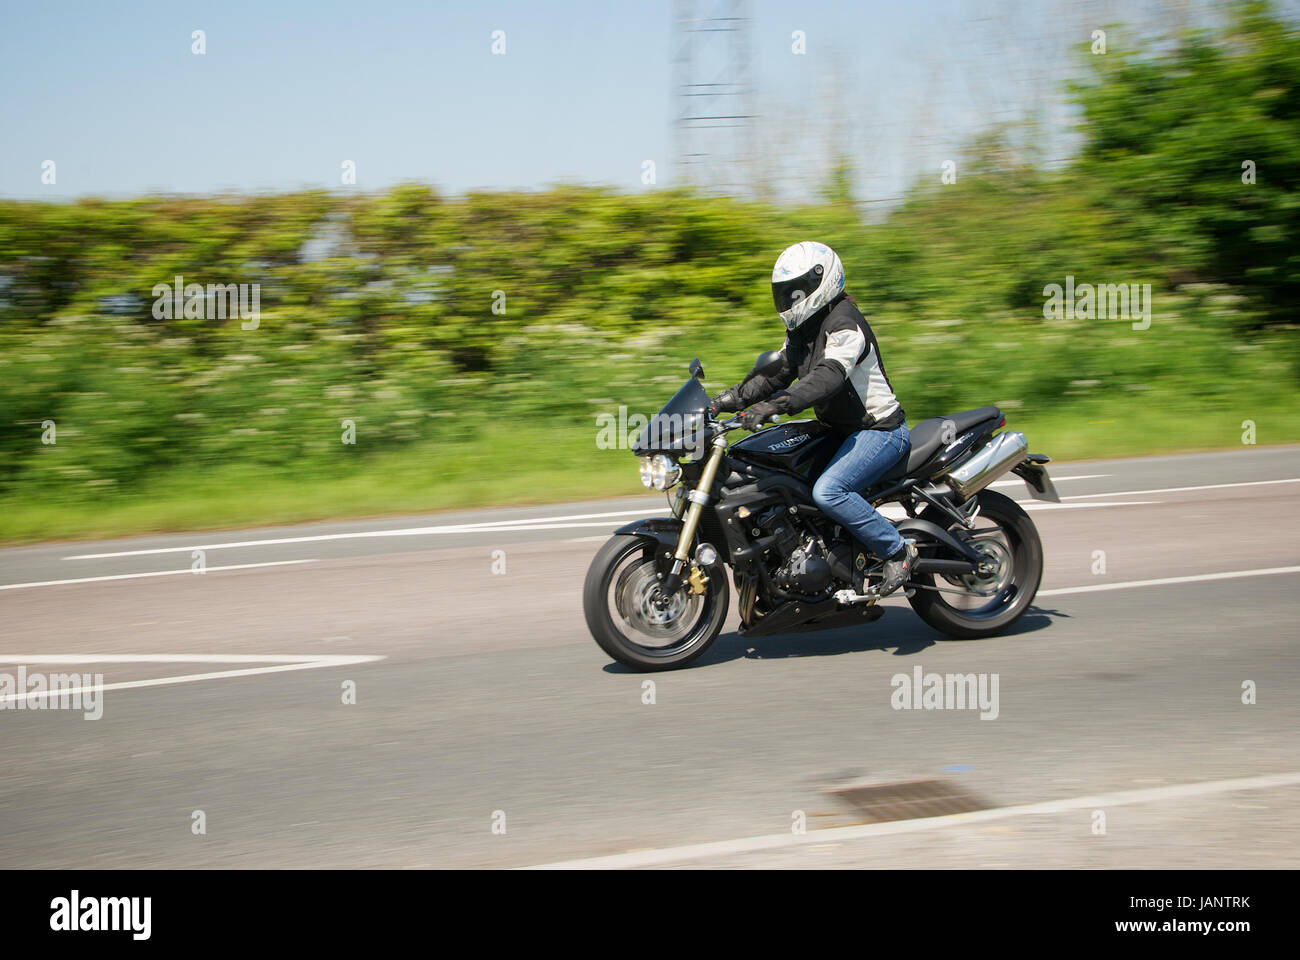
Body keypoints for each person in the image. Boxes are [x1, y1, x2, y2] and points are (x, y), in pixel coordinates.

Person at [709, 241, 916, 597]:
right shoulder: (803, 330)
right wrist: (724, 401)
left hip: (879, 431)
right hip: (838, 431)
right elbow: (774, 375)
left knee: (829, 491)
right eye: (785, 294)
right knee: (775, 472)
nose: (790, 300)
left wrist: (778, 405)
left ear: (823, 282)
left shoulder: (845, 324)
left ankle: (897, 550)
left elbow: (827, 376)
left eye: (796, 292)